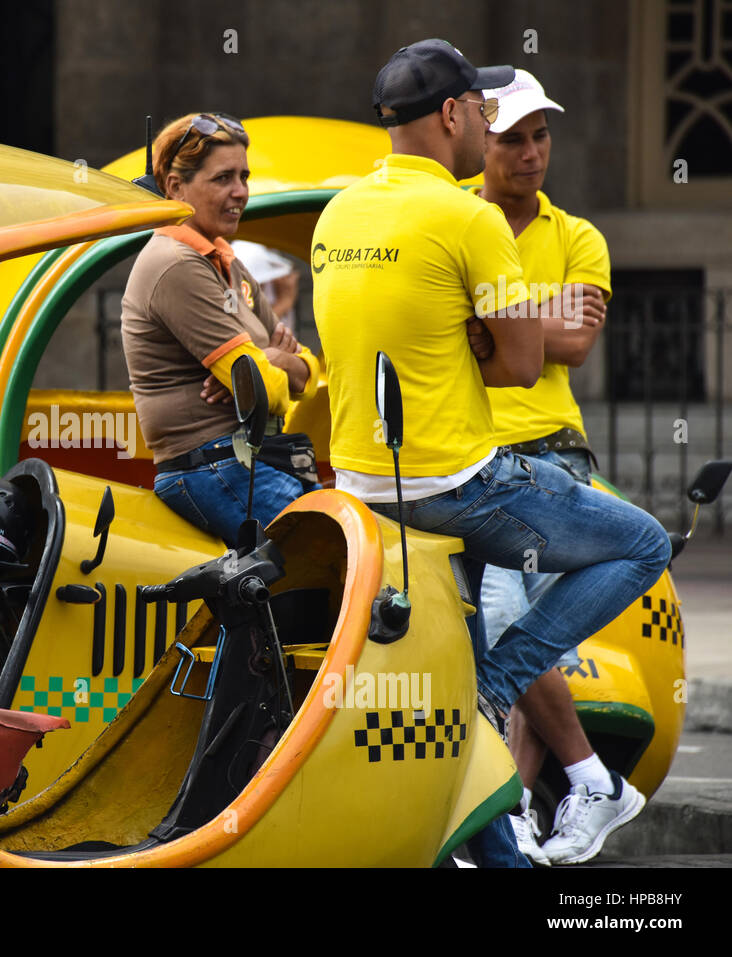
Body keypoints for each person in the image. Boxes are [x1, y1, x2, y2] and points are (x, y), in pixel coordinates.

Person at [309, 39, 671, 867]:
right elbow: (516, 362)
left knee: (468, 649)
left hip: (368, 487)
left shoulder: (341, 212)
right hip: (461, 483)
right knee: (644, 541)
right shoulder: (467, 218)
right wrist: (473, 331)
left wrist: (445, 330)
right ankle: (497, 691)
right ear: (452, 115)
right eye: (486, 113)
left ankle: (495, 840)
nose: (498, 130)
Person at [474, 69, 644, 866]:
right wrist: (536, 318)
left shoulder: (579, 235)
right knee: (521, 641)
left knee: (514, 635)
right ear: (479, 140)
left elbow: (575, 346)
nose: (533, 152)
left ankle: (513, 812)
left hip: (554, 457)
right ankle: (559, 797)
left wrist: (493, 322)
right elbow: (541, 330)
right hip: (475, 462)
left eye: (542, 135)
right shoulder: (456, 221)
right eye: (514, 137)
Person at [122, 113, 321, 544]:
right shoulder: (175, 264)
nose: (241, 192)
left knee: (340, 570)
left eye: (244, 176)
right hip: (210, 466)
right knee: (326, 568)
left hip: (247, 459)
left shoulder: (224, 260)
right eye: (223, 178)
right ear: (175, 188)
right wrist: (266, 367)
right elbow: (264, 392)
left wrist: (273, 360)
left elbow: (312, 370)